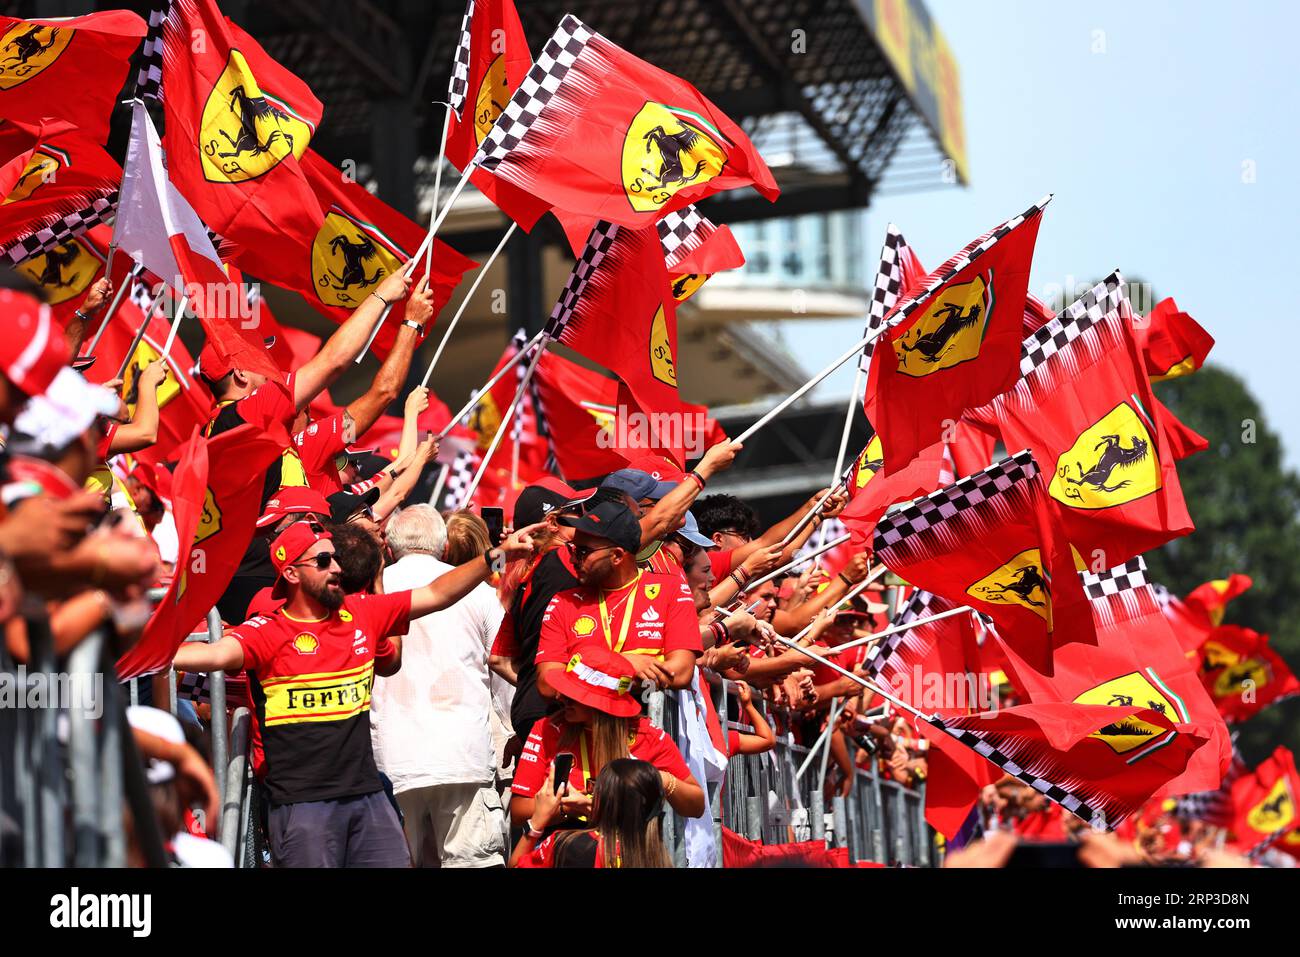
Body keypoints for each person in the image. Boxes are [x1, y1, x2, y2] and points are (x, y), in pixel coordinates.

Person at [172, 516, 542, 866]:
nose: (335, 567)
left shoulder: (362, 612)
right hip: (303, 808)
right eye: (322, 560)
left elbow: (439, 593)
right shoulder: (267, 633)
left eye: (334, 558)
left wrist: (501, 555)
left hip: (368, 798)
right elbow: (212, 653)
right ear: (290, 573)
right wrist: (140, 651)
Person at [371, 505, 508, 868]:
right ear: (445, 548)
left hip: (393, 759)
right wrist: (511, 733)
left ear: (389, 548)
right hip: (463, 755)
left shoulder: (372, 594)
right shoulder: (480, 592)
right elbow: (502, 667)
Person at [510, 643, 704, 833]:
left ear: (601, 705)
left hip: (627, 853)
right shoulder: (547, 729)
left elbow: (696, 806)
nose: (561, 697)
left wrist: (658, 778)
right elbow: (518, 811)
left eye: (573, 694)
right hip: (564, 849)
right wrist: (565, 807)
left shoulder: (647, 735)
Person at [536, 498, 702, 696]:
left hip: (646, 724)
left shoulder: (670, 588)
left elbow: (680, 672)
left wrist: (583, 670)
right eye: (572, 549)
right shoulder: (563, 602)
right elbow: (548, 684)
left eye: (582, 552)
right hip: (581, 726)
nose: (572, 559)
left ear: (617, 556)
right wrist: (620, 663)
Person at [510, 759, 671, 868]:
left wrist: (537, 822)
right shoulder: (658, 858)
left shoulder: (568, 845)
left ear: (601, 799)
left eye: (594, 788)